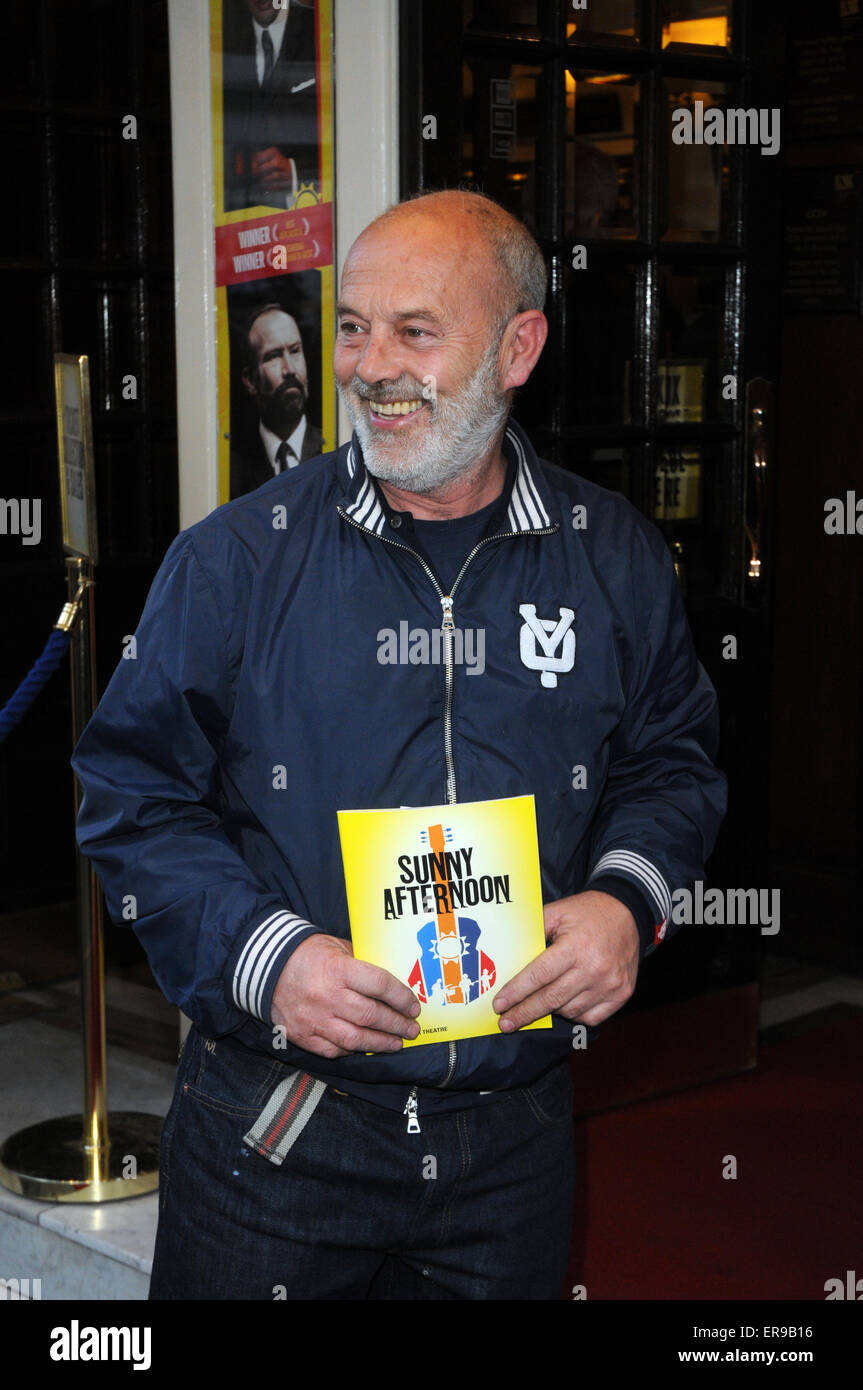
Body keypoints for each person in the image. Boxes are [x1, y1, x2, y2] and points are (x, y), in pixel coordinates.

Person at [72, 190, 726, 1301]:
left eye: (415, 332)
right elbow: (129, 797)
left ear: (518, 348)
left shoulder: (609, 554)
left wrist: (628, 897)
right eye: (352, 328)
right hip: (279, 1129)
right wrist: (269, 958)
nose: (370, 367)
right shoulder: (234, 561)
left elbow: (671, 761)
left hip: (512, 1139)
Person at [222, 0, 319, 212]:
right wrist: (235, 165)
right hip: (244, 216)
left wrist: (296, 173)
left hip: (311, 211)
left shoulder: (319, 29)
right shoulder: (222, 39)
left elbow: (348, 130)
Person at [230, 302, 323, 497]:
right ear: (250, 380)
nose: (289, 369)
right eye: (273, 357)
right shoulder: (233, 467)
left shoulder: (334, 447)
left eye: (295, 351)